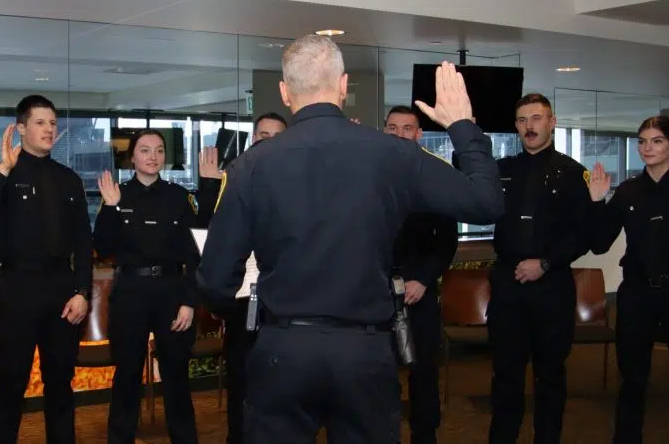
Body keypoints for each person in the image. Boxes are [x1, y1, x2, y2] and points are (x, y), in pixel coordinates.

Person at [196, 34, 505, 443]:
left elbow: (216, 281)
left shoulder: (249, 167)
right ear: (343, 85)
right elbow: (487, 202)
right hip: (364, 353)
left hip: (282, 351)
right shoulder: (394, 154)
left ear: (286, 93)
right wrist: (462, 125)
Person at [0, 95, 92, 444]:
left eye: (52, 123)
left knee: (60, 385)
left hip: (62, 293)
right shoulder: (0, 173)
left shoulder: (69, 179)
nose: (49, 129)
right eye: (40, 123)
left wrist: (83, 293)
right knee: (9, 384)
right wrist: (2, 171)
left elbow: (83, 243)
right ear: (21, 128)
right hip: (18, 289)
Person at [587, 115, 669, 444]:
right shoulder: (629, 191)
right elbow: (600, 244)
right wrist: (597, 201)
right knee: (632, 381)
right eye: (642, 141)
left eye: (656, 141)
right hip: (637, 295)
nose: (647, 148)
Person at [94, 129, 214, 444]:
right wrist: (110, 207)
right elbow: (103, 247)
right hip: (131, 292)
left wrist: (189, 300)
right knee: (127, 377)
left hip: (172, 292)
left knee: (176, 377)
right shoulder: (118, 194)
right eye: (145, 150)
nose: (152, 156)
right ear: (132, 156)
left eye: (159, 150)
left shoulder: (179, 197)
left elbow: (196, 253)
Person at [487, 93, 593, 444]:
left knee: (550, 376)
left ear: (552, 121)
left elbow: (583, 236)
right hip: (507, 287)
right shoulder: (502, 171)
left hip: (552, 287)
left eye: (536, 118)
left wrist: (545, 263)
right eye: (522, 120)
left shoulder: (573, 174)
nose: (529, 127)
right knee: (505, 375)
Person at [198, 112, 288, 444]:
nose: (269, 140)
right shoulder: (232, 180)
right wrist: (209, 185)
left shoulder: (300, 182)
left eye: (277, 135)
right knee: (241, 383)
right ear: (253, 139)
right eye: (263, 134)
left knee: (283, 389)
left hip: (286, 302)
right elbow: (206, 234)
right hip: (241, 301)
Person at [382, 105, 460, 444]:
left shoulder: (435, 179)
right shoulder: (368, 174)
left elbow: (446, 242)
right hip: (375, 293)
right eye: (393, 128)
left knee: (423, 374)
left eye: (407, 128)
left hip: (420, 292)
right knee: (377, 375)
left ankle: (424, 437)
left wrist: (424, 280)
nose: (399, 134)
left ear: (419, 135)